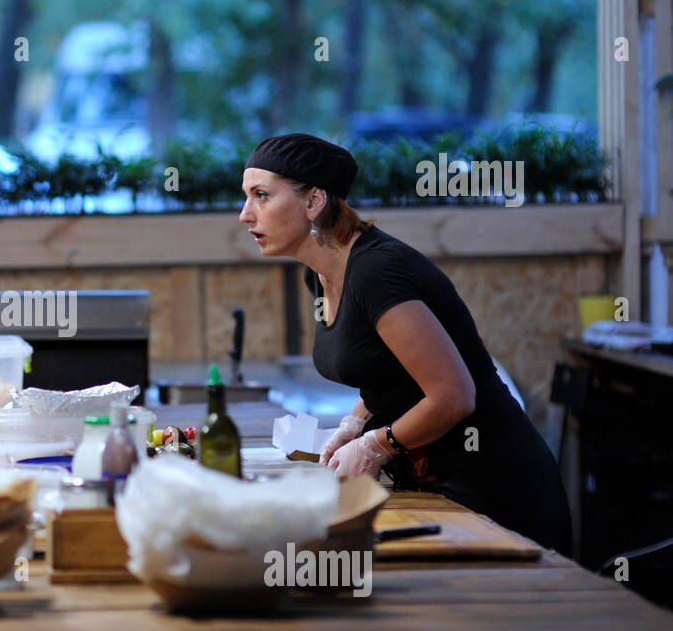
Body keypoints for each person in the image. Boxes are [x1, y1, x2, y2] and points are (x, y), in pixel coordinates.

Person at [239, 133, 570, 552]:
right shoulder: (321, 274)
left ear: (313, 202)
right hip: (432, 479)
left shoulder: (377, 273)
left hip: (490, 486)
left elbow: (453, 397)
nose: (245, 214)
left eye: (261, 196)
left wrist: (375, 445)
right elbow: (385, 369)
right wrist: (354, 424)